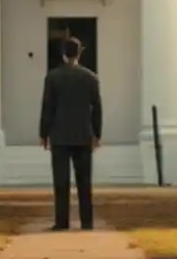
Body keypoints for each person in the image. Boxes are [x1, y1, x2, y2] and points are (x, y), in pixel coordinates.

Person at [39, 36, 103, 231]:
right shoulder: (90, 77)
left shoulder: (53, 77)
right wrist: (97, 134)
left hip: (60, 135)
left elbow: (47, 107)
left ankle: (62, 221)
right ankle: (87, 221)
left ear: (63, 54)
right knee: (84, 182)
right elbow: (97, 108)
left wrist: (44, 133)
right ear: (79, 53)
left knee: (61, 181)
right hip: (83, 134)